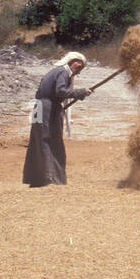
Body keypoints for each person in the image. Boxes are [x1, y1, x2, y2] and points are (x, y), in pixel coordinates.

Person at [23, 52, 91, 187]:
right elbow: (60, 91)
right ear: (72, 61)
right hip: (48, 109)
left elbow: (41, 93)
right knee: (51, 140)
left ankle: (38, 179)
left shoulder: (53, 72)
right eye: (79, 67)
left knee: (39, 140)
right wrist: (81, 92)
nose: (78, 71)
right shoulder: (63, 72)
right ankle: (51, 179)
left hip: (39, 107)